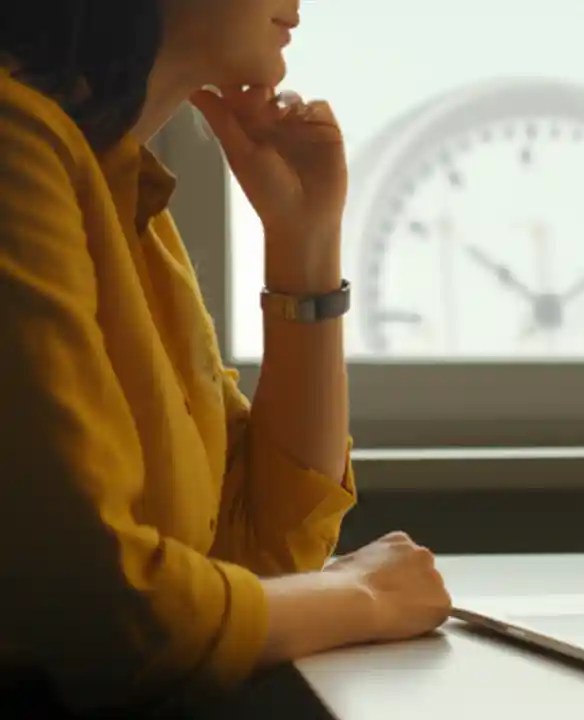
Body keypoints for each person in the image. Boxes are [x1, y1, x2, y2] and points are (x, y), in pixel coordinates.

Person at [0, 1, 452, 714]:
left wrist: (305, 243)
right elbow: (115, 619)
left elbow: (258, 553)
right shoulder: (11, 148)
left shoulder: (117, 191)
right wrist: (364, 593)